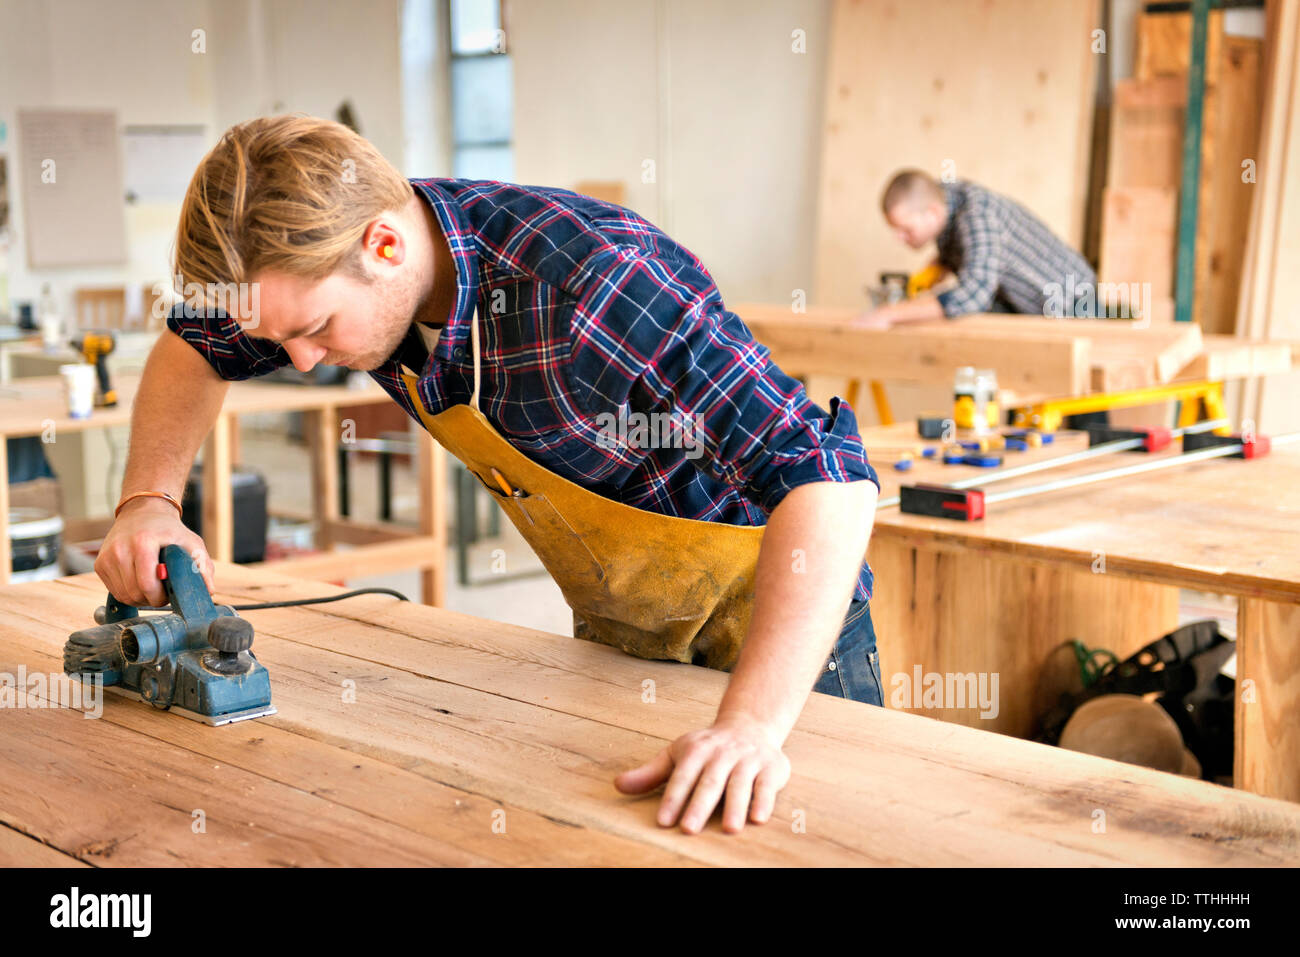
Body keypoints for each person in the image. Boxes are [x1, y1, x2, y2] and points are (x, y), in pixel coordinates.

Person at [96, 115, 882, 836]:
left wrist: (749, 726)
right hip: (626, 641)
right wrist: (148, 502)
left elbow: (828, 477)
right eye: (280, 338)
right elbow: (195, 346)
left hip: (786, 649)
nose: (299, 362)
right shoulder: (354, 281)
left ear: (385, 246)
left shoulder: (595, 283)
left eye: (315, 330)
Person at [855, 168, 1097, 328]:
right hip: (1028, 310)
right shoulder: (941, 201)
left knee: (1071, 399)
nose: (900, 238)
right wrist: (942, 264)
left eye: (906, 229)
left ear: (932, 213)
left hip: (1073, 304)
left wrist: (888, 314)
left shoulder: (978, 216)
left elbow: (974, 294)